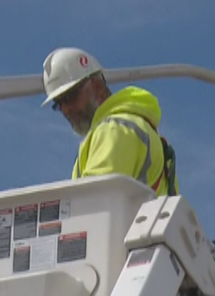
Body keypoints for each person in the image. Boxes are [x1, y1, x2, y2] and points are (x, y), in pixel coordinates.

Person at [42, 47, 179, 197]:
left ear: (97, 87)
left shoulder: (114, 129)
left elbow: (92, 203)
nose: (66, 109)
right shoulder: (131, 127)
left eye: (69, 97)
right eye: (58, 104)